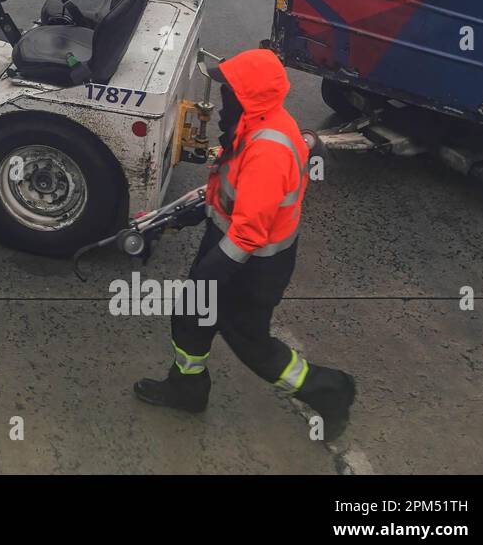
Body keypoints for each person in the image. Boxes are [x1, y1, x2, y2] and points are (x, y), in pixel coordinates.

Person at [134, 48, 357, 438]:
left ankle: (329, 391)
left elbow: (250, 231)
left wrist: (209, 272)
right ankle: (188, 388)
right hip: (231, 249)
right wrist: (195, 211)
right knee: (191, 316)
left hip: (252, 266)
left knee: (251, 344)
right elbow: (236, 192)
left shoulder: (267, 149)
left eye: (228, 95)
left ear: (247, 99)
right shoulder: (255, 126)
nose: (221, 104)